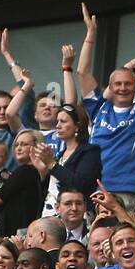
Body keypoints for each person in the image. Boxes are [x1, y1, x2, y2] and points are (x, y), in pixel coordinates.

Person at [73, 2, 135, 200]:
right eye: (118, 84)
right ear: (110, 87)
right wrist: (90, 33)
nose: (123, 88)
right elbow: (82, 71)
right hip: (94, 187)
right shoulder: (98, 108)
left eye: (128, 84)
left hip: (127, 189)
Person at [39, 64, 104, 206]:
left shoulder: (89, 151)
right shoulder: (60, 154)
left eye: (63, 121)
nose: (57, 126)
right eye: (57, 121)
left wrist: (51, 164)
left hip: (75, 214)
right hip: (50, 210)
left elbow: (80, 184)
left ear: (77, 125)